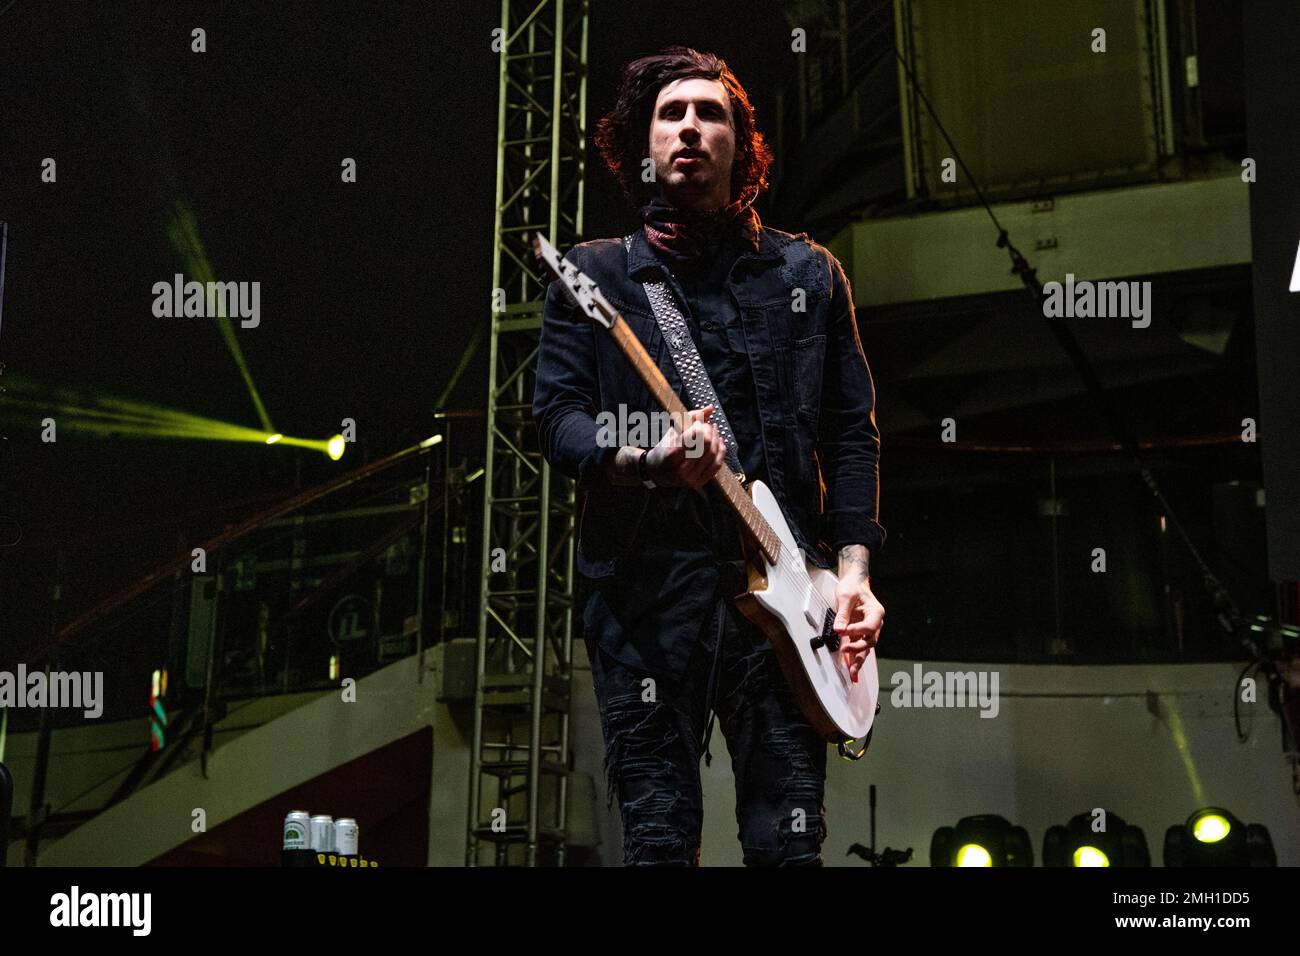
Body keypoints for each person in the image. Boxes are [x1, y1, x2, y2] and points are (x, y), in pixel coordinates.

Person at [533, 46, 885, 866]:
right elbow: (558, 421)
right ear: (641, 147)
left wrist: (856, 577)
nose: (690, 127)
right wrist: (648, 460)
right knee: (657, 840)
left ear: (743, 144)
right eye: (669, 114)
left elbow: (852, 433)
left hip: (795, 610)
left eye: (710, 112)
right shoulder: (596, 277)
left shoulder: (811, 274)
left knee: (789, 843)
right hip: (647, 602)